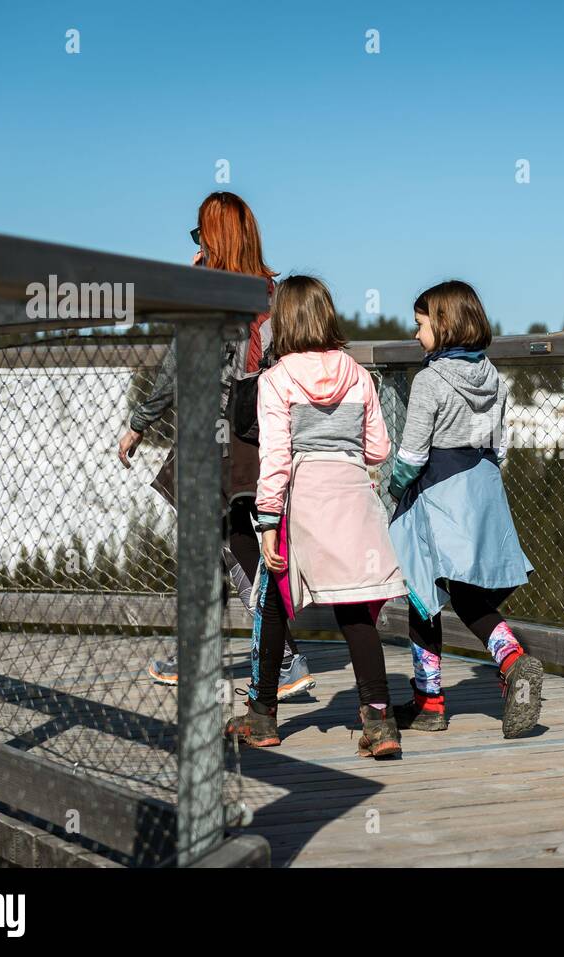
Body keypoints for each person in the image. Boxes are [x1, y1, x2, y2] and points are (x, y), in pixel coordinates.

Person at [117, 191, 314, 700]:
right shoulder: (272, 294)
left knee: (222, 545)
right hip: (259, 434)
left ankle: (282, 658)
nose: (197, 242)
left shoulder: (208, 296)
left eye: (200, 233)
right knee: (232, 542)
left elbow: (178, 366)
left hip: (212, 435)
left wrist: (141, 421)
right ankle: (211, 657)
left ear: (214, 237)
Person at [226, 275, 407, 755]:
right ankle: (380, 722)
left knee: (274, 602)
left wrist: (266, 522)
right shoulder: (357, 373)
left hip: (301, 502)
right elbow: (379, 448)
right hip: (352, 495)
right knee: (357, 608)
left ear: (283, 321)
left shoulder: (276, 379)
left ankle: (262, 715)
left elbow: (277, 459)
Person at [386, 280, 544, 738]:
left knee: (422, 591)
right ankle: (512, 659)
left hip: (437, 489)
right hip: (483, 488)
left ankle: (430, 701)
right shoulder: (494, 376)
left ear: (443, 324)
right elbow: (501, 446)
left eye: (420, 325)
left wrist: (394, 491)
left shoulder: (429, 381)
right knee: (468, 592)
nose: (415, 336)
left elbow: (412, 454)